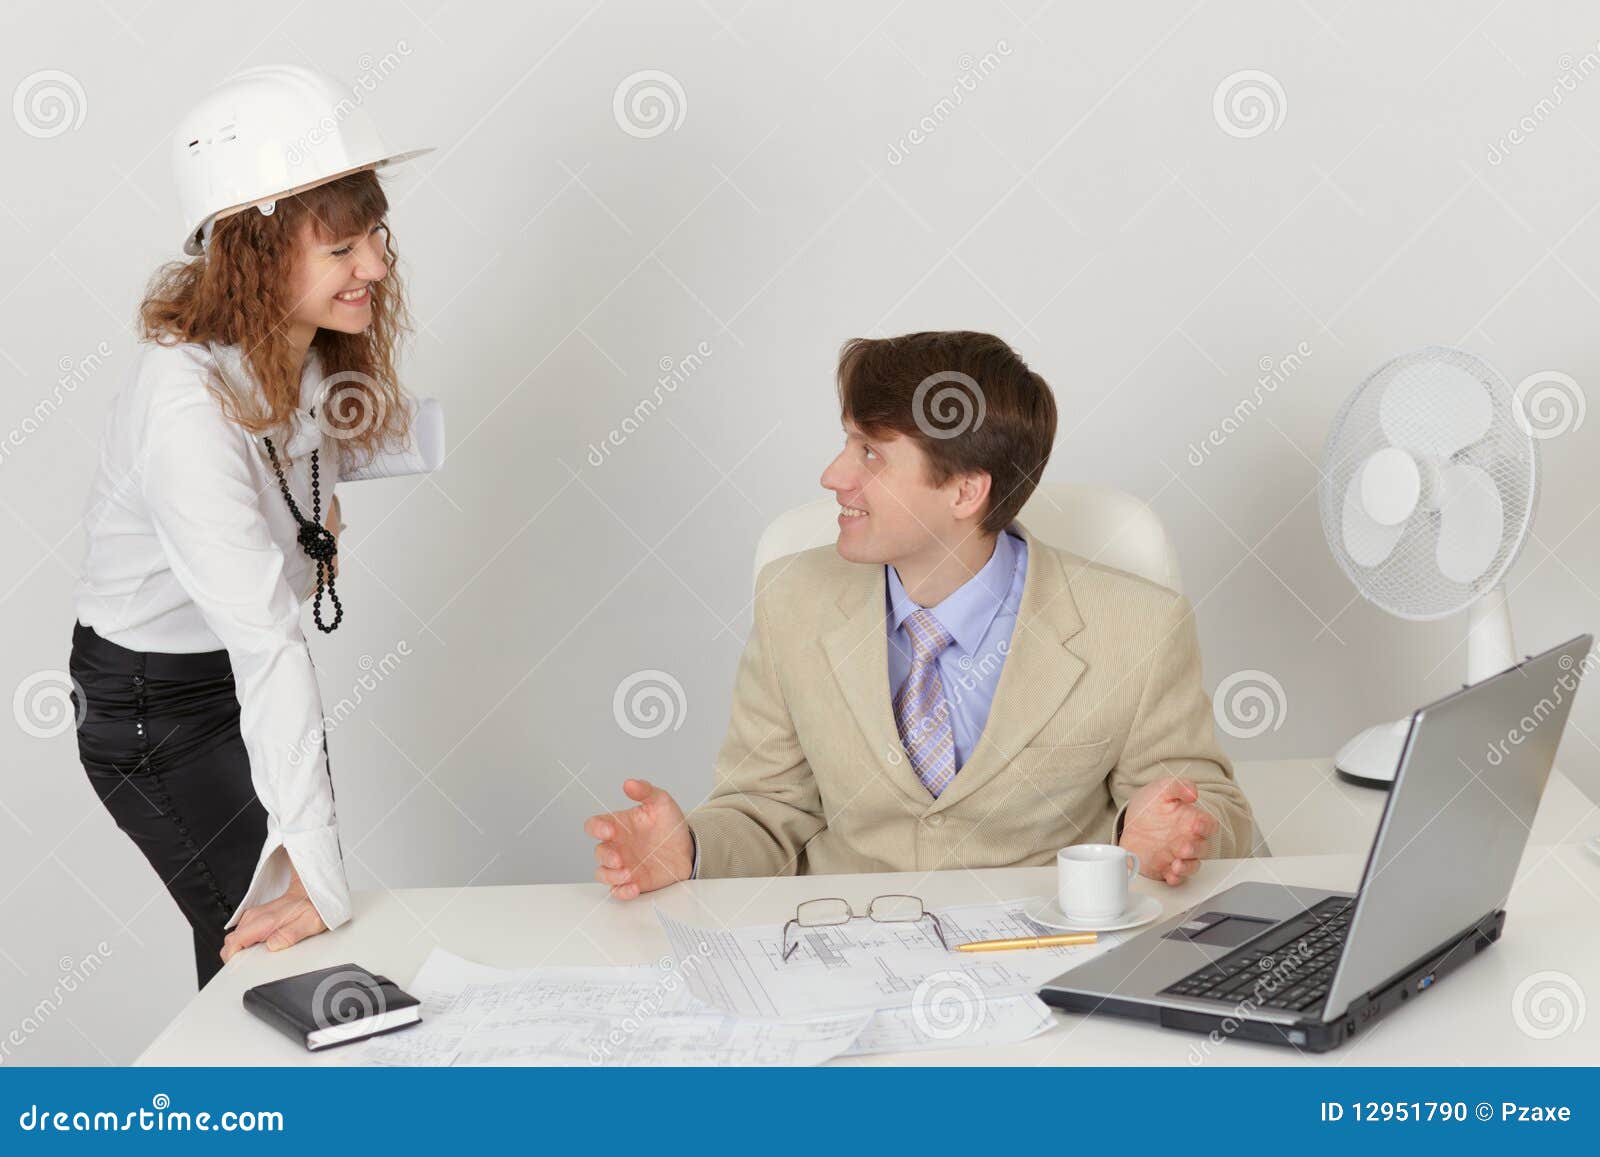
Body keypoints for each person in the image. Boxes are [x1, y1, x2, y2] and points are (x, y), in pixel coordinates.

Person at [586, 330, 1254, 896]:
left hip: (1046, 959)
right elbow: (768, 810)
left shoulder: (1136, 626)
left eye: (870, 452)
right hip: (842, 952)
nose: (833, 475)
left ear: (966, 490)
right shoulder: (793, 598)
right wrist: (692, 848)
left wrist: (1162, 837)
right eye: (848, 444)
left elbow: (1214, 810)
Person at [69, 65, 439, 987]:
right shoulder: (184, 412)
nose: (377, 268)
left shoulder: (291, 353)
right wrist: (317, 870)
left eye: (376, 239)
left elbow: (335, 436)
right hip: (151, 710)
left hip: (222, 688)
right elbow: (268, 640)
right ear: (255, 253)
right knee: (276, 944)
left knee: (261, 942)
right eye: (344, 249)